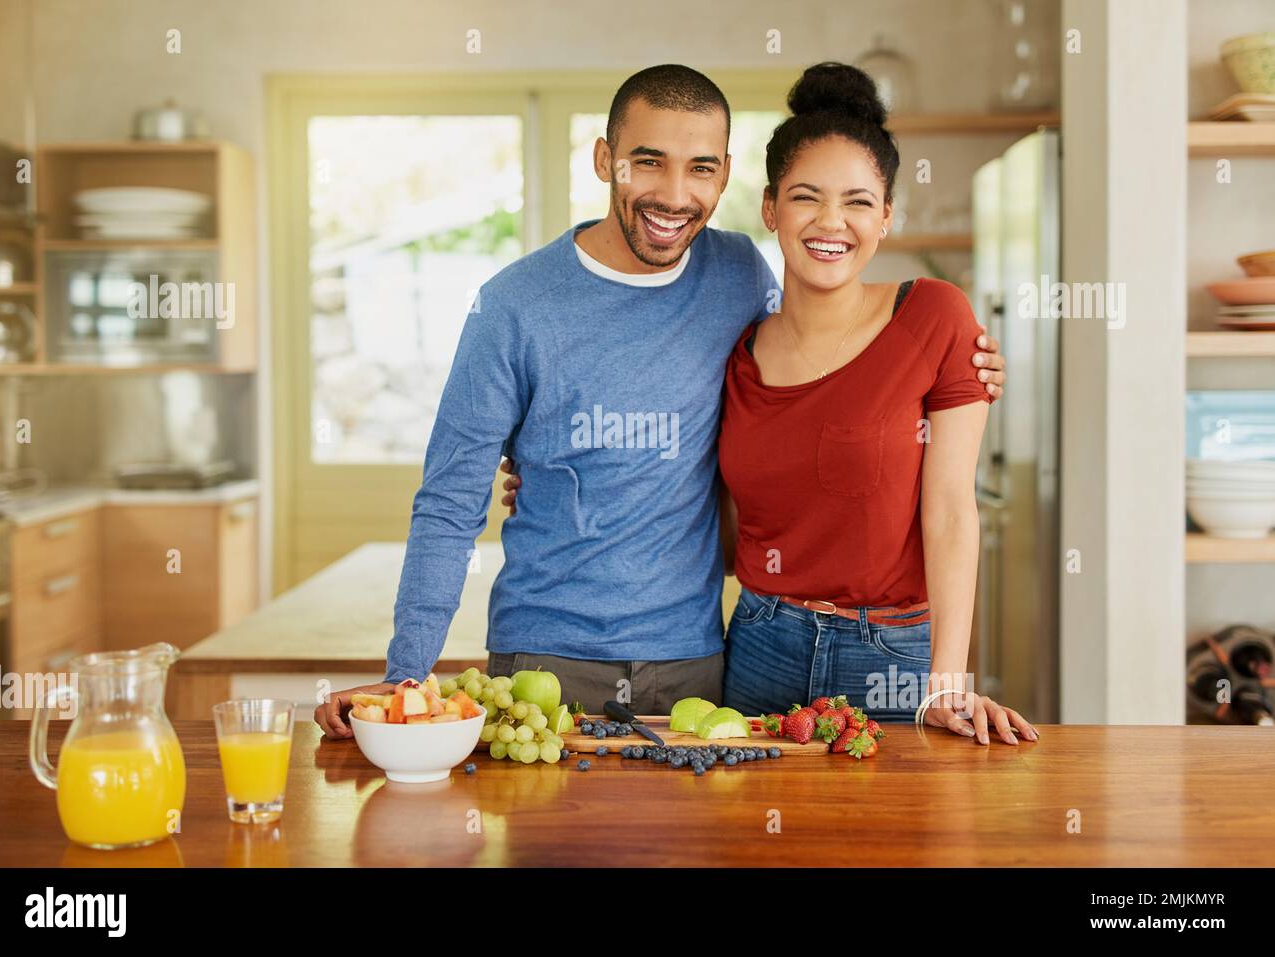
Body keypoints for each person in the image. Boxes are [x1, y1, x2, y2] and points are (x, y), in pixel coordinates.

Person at [315, 64, 1005, 739]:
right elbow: (448, 500)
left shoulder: (739, 277)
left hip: (694, 661)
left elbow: (822, 396)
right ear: (604, 160)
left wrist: (963, 376)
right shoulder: (514, 306)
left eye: (700, 167)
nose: (675, 195)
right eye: (648, 162)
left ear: (726, 176)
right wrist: (407, 674)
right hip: (545, 657)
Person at [717, 62, 1036, 744]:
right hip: (759, 641)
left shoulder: (934, 317)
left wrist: (949, 681)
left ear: (886, 217)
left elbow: (951, 508)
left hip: (888, 652)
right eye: (806, 197)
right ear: (771, 208)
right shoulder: (737, 351)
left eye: (859, 201)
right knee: (752, 844)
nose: (832, 221)